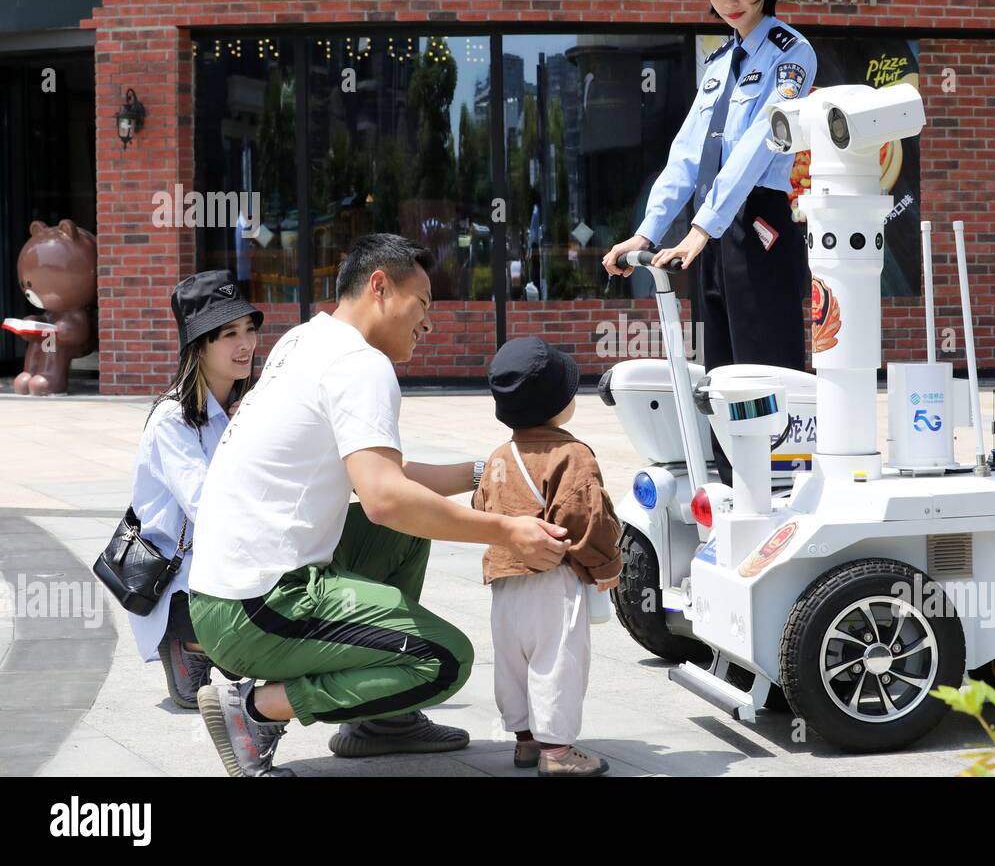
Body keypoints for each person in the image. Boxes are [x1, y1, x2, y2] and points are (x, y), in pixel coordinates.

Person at [188, 233, 572, 777]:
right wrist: (507, 532)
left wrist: (480, 474)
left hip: (225, 591)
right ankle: (253, 710)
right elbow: (386, 499)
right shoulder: (360, 364)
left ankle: (383, 722)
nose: (428, 323)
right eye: (423, 304)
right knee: (443, 660)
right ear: (380, 287)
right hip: (257, 607)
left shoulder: (305, 340)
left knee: (407, 531)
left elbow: (381, 477)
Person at [602, 0, 817, 485]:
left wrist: (702, 226)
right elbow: (686, 154)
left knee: (765, 363)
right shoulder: (719, 62)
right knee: (721, 366)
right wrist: (647, 234)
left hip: (758, 220)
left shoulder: (792, 55)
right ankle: (730, 488)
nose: (730, 0)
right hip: (713, 228)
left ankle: (781, 487)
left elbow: (758, 148)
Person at [474, 337, 623, 777]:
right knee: (557, 660)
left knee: (513, 662)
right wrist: (606, 567)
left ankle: (525, 742)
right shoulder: (571, 454)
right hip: (552, 577)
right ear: (559, 404)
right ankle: (557, 753)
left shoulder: (499, 456)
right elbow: (588, 515)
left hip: (503, 578)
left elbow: (481, 510)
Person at [127, 269, 262, 709]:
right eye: (228, 334)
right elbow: (210, 509)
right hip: (182, 577)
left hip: (226, 566)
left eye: (249, 330)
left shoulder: (244, 408)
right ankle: (187, 643)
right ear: (198, 345)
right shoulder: (173, 420)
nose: (245, 344)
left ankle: (214, 642)